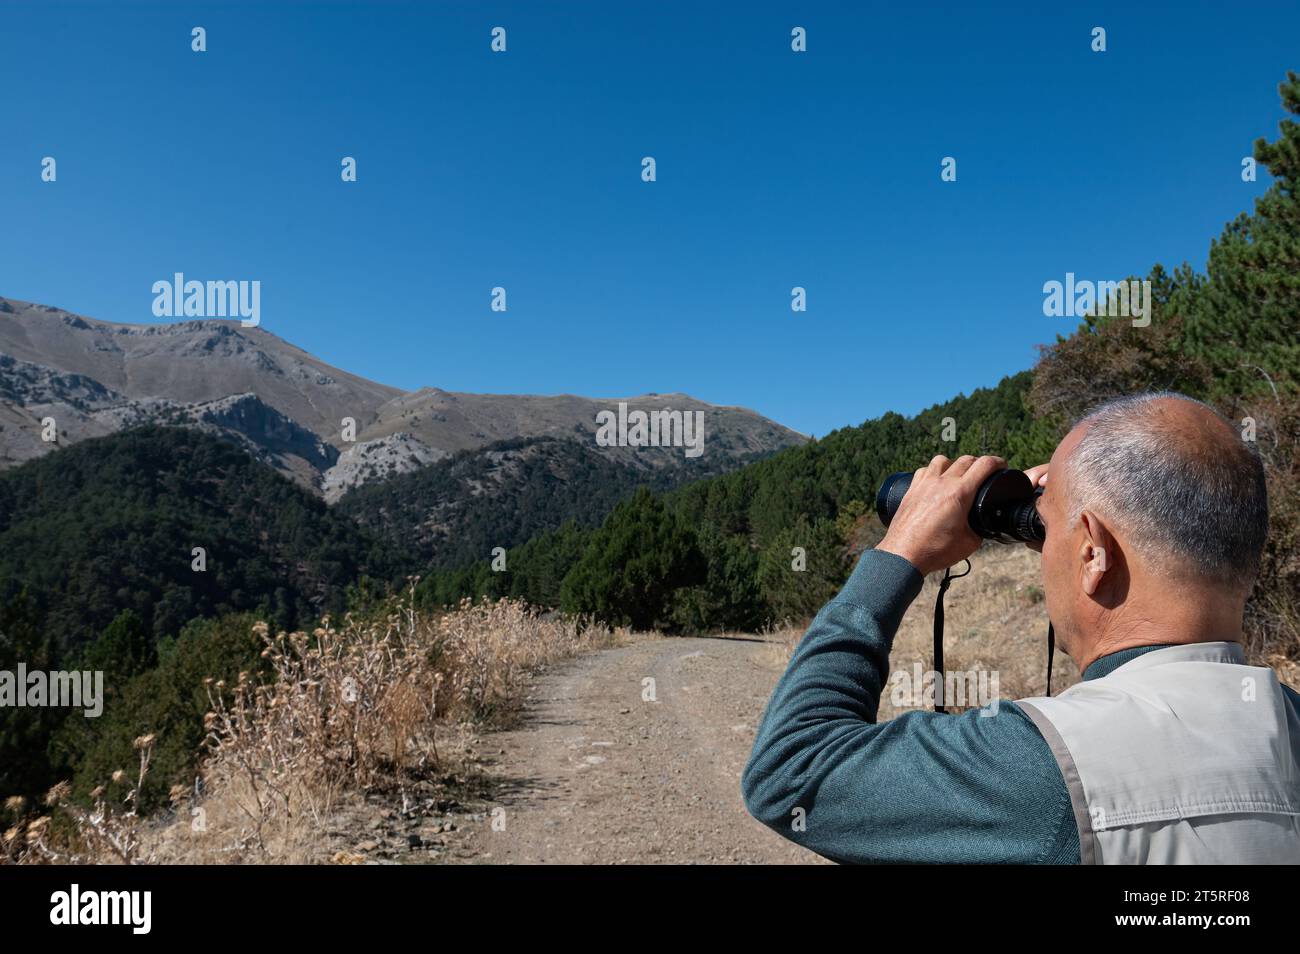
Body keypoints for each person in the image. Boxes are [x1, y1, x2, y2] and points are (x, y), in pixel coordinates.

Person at [741, 391, 1300, 864]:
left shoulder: (1045, 768)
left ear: (1094, 552)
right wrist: (1068, 523)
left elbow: (791, 771)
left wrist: (899, 552)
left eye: (1046, 528)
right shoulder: (1289, 723)